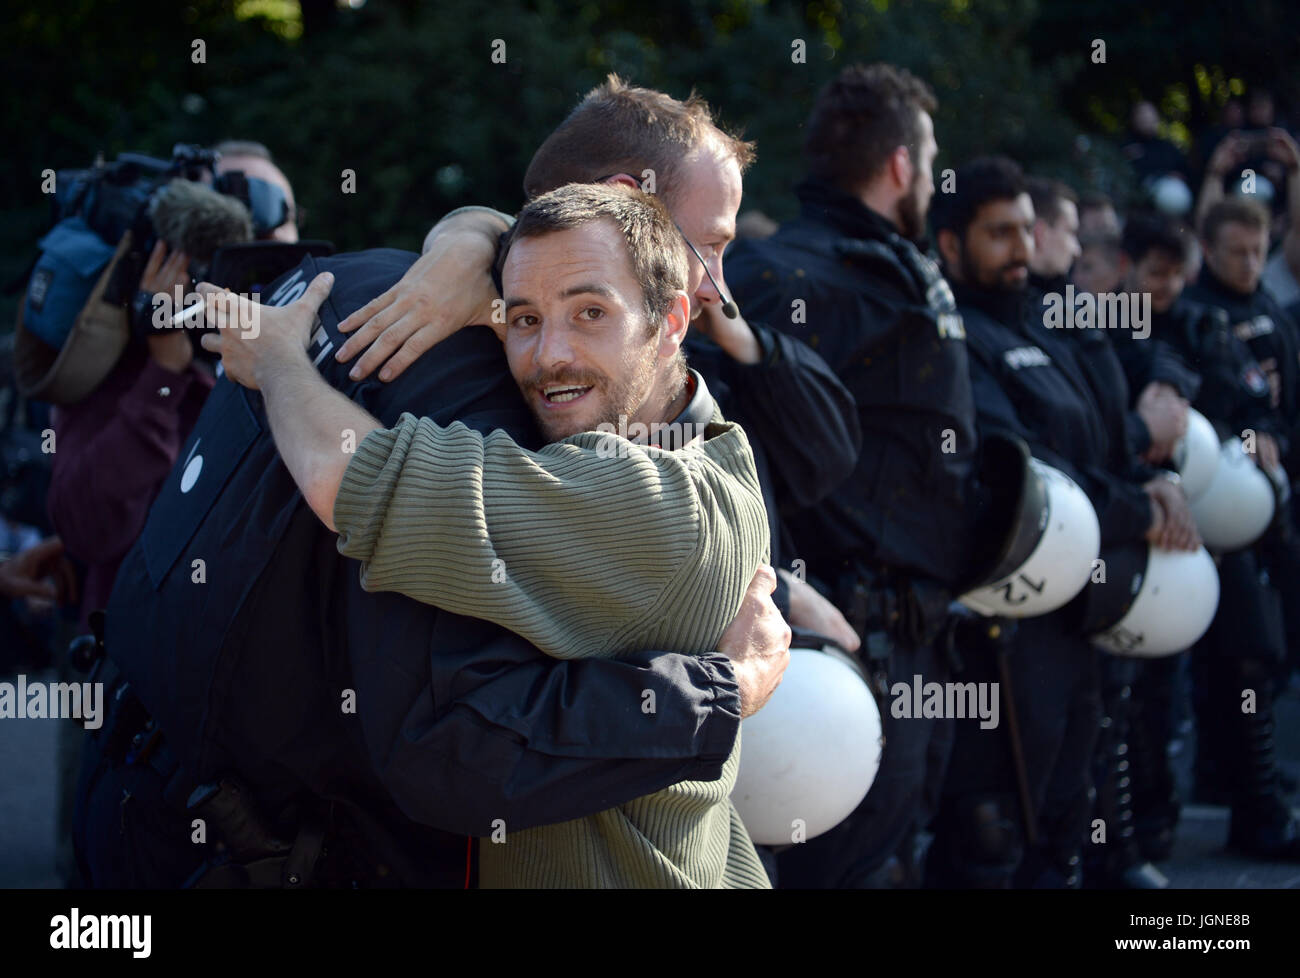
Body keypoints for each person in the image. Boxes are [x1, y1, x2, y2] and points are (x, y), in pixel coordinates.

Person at [75, 193, 789, 888]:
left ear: (670, 323)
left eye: (591, 313)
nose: (550, 355)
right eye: (525, 318)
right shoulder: (696, 431)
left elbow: (357, 481)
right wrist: (466, 236)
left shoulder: (646, 501)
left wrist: (279, 363)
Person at [329, 75, 864, 655]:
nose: (717, 285)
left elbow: (830, 454)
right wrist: (730, 684)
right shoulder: (486, 356)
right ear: (633, 199)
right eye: (711, 244)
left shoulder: (676, 334)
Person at [724, 63, 975, 888]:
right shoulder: (780, 275)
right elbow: (725, 451)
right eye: (929, 158)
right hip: (830, 649)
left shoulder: (895, 270)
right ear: (901, 163)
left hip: (912, 637)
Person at [926, 157, 1194, 888]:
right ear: (952, 245)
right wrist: (1138, 507)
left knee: (1067, 827)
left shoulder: (1053, 321)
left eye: (1026, 229)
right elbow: (1030, 483)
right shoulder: (955, 340)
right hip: (1000, 637)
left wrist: (1149, 481)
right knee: (993, 840)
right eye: (999, 233)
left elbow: (1108, 433)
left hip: (1082, 618)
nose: (1020, 247)